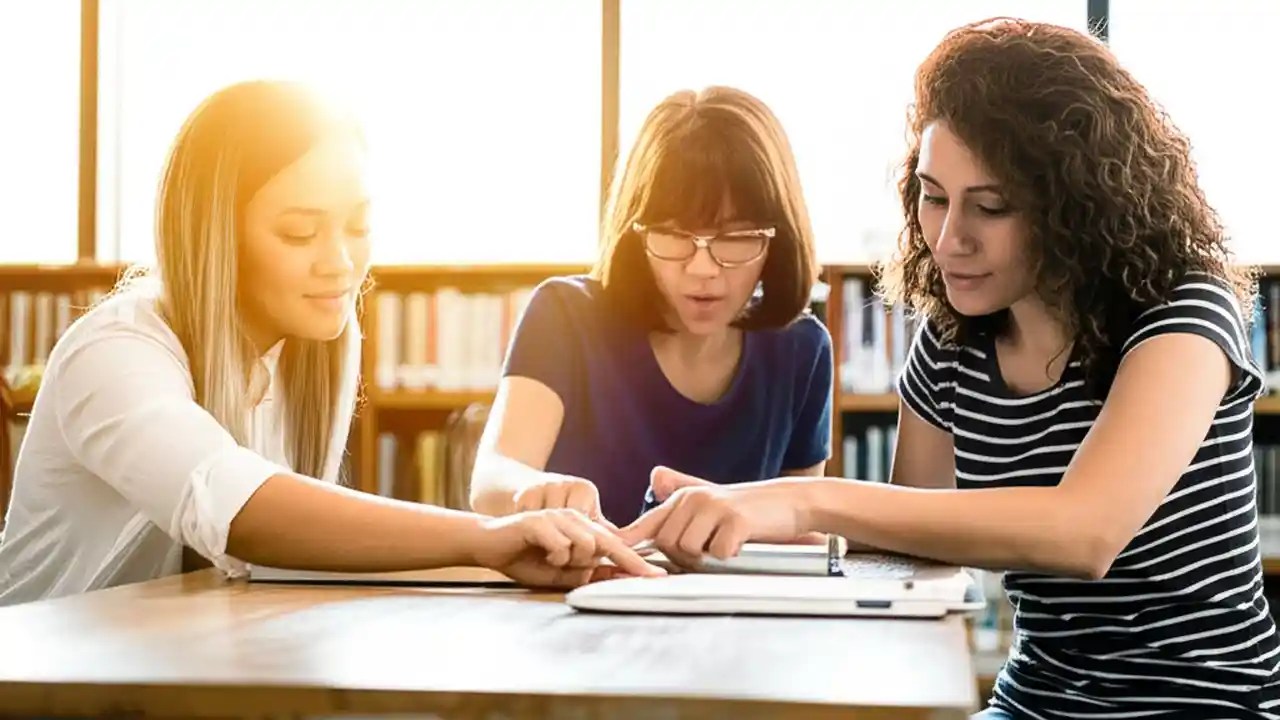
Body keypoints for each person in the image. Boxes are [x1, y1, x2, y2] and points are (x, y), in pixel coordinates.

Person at [619, 18, 1280, 719]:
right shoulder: (950, 341)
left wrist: (804, 500)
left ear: (1078, 207)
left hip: (1207, 706)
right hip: (1033, 703)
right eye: (933, 197)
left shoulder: (1183, 309)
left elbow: (1086, 532)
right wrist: (748, 519)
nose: (949, 239)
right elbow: (910, 541)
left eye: (991, 206)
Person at [0, 80, 659, 606]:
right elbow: (233, 506)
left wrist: (501, 557)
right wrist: (484, 537)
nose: (341, 264)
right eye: (298, 233)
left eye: (359, 224)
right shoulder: (115, 350)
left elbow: (275, 564)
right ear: (215, 236)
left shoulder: (315, 345)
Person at [468, 85, 833, 528]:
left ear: (778, 238)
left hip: (731, 598)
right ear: (635, 232)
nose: (702, 268)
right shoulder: (564, 316)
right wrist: (532, 490)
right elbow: (492, 480)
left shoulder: (802, 350)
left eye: (735, 238)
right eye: (675, 235)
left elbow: (803, 528)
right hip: (578, 590)